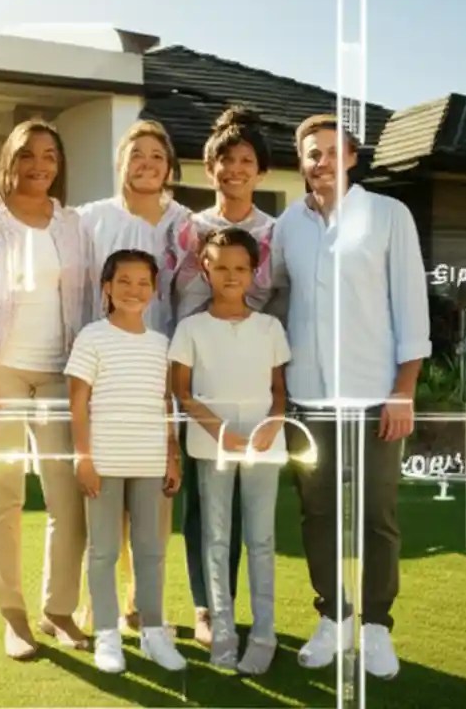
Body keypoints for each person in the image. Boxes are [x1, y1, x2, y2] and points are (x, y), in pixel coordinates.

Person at [0, 119, 201, 634]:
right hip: (80, 369)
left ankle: (123, 608)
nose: (146, 164)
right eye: (136, 154)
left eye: (157, 157)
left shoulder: (181, 225)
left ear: (170, 168)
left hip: (138, 371)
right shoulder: (82, 219)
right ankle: (71, 611)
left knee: (124, 498)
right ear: (120, 163)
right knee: (73, 496)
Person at [270, 114, 431, 679]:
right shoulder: (287, 225)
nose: (322, 161)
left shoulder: (389, 215)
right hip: (308, 399)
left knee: (377, 515)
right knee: (317, 514)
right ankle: (333, 617)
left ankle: (376, 627)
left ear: (352, 157)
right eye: (311, 153)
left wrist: (403, 391)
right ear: (302, 161)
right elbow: (273, 300)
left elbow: (412, 306)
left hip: (373, 398)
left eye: (332, 151)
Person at [0, 118, 94, 660]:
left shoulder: (76, 225)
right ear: (10, 159)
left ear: (60, 164)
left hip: (60, 372)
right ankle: (15, 617)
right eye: (28, 154)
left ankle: (59, 610)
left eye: (50, 155)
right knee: (4, 494)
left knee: (67, 495)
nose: (39, 165)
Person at [177, 106, 283, 647]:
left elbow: (283, 303)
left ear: (260, 171)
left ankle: (246, 612)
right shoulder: (189, 228)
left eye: (245, 161)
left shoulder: (275, 233)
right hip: (197, 383)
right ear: (209, 167)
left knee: (249, 508)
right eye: (224, 160)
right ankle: (207, 607)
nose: (234, 170)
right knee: (204, 504)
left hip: (256, 387)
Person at [169, 227, 290, 675]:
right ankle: (222, 629)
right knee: (216, 538)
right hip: (210, 443)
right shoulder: (190, 328)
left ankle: (263, 633)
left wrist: (273, 422)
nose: (231, 275)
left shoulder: (270, 328)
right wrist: (218, 430)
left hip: (264, 443)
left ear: (254, 270)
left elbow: (279, 392)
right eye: (221, 266)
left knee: (260, 539)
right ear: (206, 267)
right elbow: (182, 391)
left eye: (240, 267)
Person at [65, 248, 188, 674]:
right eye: (124, 282)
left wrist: (172, 458)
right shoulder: (92, 337)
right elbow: (78, 404)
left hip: (150, 462)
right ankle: (106, 636)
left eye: (143, 283)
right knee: (103, 551)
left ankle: (153, 633)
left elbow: (164, 404)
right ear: (107, 288)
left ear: (154, 290)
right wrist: (83, 457)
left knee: (151, 550)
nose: (133, 290)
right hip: (104, 460)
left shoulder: (160, 345)